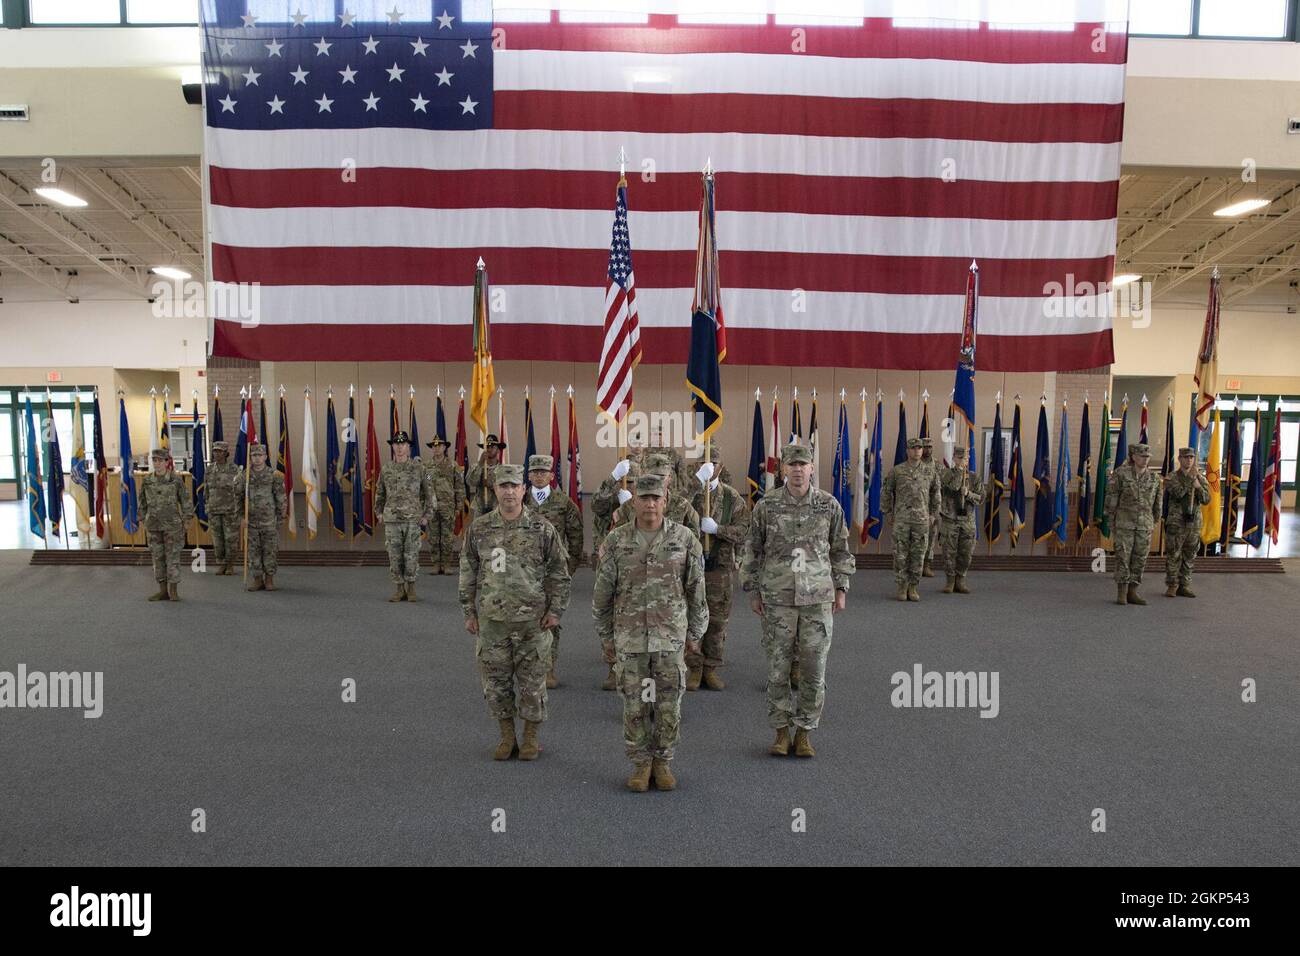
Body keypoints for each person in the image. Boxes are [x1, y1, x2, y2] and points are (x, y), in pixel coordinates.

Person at [593, 474, 708, 792]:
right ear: (635, 502)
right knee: (636, 704)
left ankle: (664, 762)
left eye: (656, 497)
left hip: (670, 636)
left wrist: (696, 634)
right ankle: (641, 764)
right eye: (644, 497)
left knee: (669, 705)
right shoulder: (617, 541)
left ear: (665, 501)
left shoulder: (685, 539)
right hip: (630, 639)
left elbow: (697, 591)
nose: (650, 503)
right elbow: (603, 593)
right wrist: (605, 637)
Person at [741, 443, 854, 758]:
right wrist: (752, 589)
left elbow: (841, 549)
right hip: (777, 597)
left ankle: (804, 731)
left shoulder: (828, 505)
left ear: (812, 468)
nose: (798, 470)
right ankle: (780, 732)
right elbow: (752, 548)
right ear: (782, 470)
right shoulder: (767, 506)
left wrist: (841, 588)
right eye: (792, 465)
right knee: (778, 667)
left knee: (814, 667)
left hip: (817, 598)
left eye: (803, 464)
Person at [460, 464, 571, 762]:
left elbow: (559, 571)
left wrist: (556, 610)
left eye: (514, 486)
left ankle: (531, 737)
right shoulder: (480, 529)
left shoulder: (541, 528)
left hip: (532, 621)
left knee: (533, 683)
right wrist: (469, 611)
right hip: (493, 621)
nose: (509, 491)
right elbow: (468, 571)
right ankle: (507, 736)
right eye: (503, 486)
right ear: (495, 490)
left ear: (523, 490)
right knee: (496, 683)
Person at [688, 460, 750, 691]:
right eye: (704, 463)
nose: (709, 467)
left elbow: (744, 530)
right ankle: (693, 666)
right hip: (690, 567)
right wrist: (696, 481)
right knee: (691, 618)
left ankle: (710, 668)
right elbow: (672, 517)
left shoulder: (731, 498)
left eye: (713, 463)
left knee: (717, 620)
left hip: (719, 569)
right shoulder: (690, 495)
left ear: (721, 468)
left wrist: (718, 530)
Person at [523, 454, 584, 688]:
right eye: (535, 472)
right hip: (523, 573)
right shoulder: (520, 500)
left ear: (551, 475)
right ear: (528, 476)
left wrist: (570, 567)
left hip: (552, 572)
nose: (539, 476)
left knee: (551, 620)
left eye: (543, 472)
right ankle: (528, 667)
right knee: (524, 619)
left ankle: (548, 668)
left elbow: (576, 536)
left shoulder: (564, 502)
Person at [376, 431, 436, 602]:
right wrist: (378, 512)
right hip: (392, 520)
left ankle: (411, 588)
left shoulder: (420, 468)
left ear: (409, 447)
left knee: (411, 555)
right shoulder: (386, 469)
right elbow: (380, 492)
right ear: (393, 446)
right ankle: (398, 589)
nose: (400, 447)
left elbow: (429, 492)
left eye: (403, 444)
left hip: (412, 519)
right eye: (396, 444)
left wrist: (427, 515)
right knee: (394, 556)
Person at [882, 437, 940, 602]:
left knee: (918, 555)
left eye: (919, 448)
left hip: (921, 520)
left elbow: (936, 494)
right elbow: (886, 492)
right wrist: (888, 513)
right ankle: (901, 586)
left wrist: (933, 514)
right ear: (907, 451)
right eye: (913, 448)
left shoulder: (930, 471)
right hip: (902, 520)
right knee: (900, 555)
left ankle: (913, 587)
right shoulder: (897, 471)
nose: (917, 451)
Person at [1104, 442, 1162, 605]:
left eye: (1147, 457)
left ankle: (1133, 591)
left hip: (1144, 525)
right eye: (1142, 456)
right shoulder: (1121, 474)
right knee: (1123, 557)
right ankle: (1121, 592)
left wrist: (1154, 520)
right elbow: (1111, 498)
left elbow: (1158, 502)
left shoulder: (1154, 478)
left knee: (1140, 558)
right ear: (1134, 457)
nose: (1145, 460)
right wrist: (1112, 520)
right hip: (1124, 523)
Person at [139, 448, 192, 601]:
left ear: (167, 462)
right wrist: (142, 518)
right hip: (153, 525)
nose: (157, 463)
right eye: (154, 460)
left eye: (160, 460)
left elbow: (185, 500)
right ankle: (163, 590)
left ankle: (173, 590)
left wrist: (187, 519)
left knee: (173, 558)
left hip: (172, 526)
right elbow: (142, 501)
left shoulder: (175, 480)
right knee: (158, 558)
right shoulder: (147, 481)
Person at [1163, 447, 1211, 598]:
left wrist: (1198, 487)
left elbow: (1206, 499)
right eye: (1185, 457)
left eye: (1191, 457)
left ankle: (1184, 585)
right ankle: (1172, 584)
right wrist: (1191, 481)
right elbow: (1177, 493)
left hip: (1193, 523)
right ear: (1179, 459)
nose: (1189, 460)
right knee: (1174, 554)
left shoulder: (1200, 478)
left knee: (1190, 554)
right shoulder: (1172, 477)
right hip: (1177, 523)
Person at [938, 444, 983, 594]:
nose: (963, 460)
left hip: (967, 521)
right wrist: (958, 471)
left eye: (965, 458)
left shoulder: (974, 477)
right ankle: (950, 580)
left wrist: (969, 493)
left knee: (966, 553)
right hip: (950, 520)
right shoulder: (946, 474)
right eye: (959, 458)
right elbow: (952, 487)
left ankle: (960, 579)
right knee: (948, 553)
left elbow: (981, 498)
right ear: (954, 458)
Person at [244, 443, 286, 592]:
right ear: (250, 457)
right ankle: (257, 580)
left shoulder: (273, 475)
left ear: (265, 457)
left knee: (270, 551)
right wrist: (241, 517)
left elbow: (280, 497)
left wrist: (281, 517)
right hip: (251, 521)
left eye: (259, 455)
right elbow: (238, 498)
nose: (256, 459)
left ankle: (269, 580)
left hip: (269, 520)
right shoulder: (245, 475)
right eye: (253, 455)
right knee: (253, 552)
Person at [423, 435, 462, 575]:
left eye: (439, 445)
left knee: (447, 537)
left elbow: (459, 486)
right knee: (433, 536)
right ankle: (436, 563)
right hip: (431, 507)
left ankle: (446, 564)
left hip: (448, 506)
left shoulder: (453, 465)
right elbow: (424, 486)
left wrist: (459, 506)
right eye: (434, 446)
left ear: (445, 447)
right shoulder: (426, 466)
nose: (437, 448)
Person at [205, 440, 243, 575]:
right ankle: (221, 563)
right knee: (217, 540)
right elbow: (207, 490)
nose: (217, 453)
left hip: (230, 510)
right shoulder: (209, 470)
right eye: (215, 451)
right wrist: (207, 505)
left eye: (220, 451)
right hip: (214, 510)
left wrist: (240, 510)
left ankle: (230, 564)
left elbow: (240, 491)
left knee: (231, 539)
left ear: (226, 453)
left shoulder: (235, 470)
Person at [465, 434, 505, 518]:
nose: (489, 449)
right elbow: (470, 482)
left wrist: (492, 486)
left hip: (497, 508)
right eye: (487, 447)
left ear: (498, 450)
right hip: (480, 508)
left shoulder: (503, 469)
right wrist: (480, 464)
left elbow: (506, 490)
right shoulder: (476, 466)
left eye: (492, 447)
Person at [919, 436, 941, 577]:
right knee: (916, 537)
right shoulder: (914, 464)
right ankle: (916, 565)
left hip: (933, 506)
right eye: (925, 447)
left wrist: (936, 510)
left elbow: (940, 487)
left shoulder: (937, 465)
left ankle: (927, 564)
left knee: (931, 537)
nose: (928, 449)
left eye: (930, 447)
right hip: (917, 506)